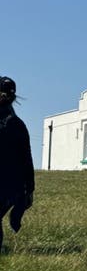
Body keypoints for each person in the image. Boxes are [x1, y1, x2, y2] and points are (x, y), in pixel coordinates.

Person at [0, 77, 34, 251]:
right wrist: (29, 190)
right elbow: (26, 159)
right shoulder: (18, 124)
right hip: (13, 187)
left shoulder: (13, 123)